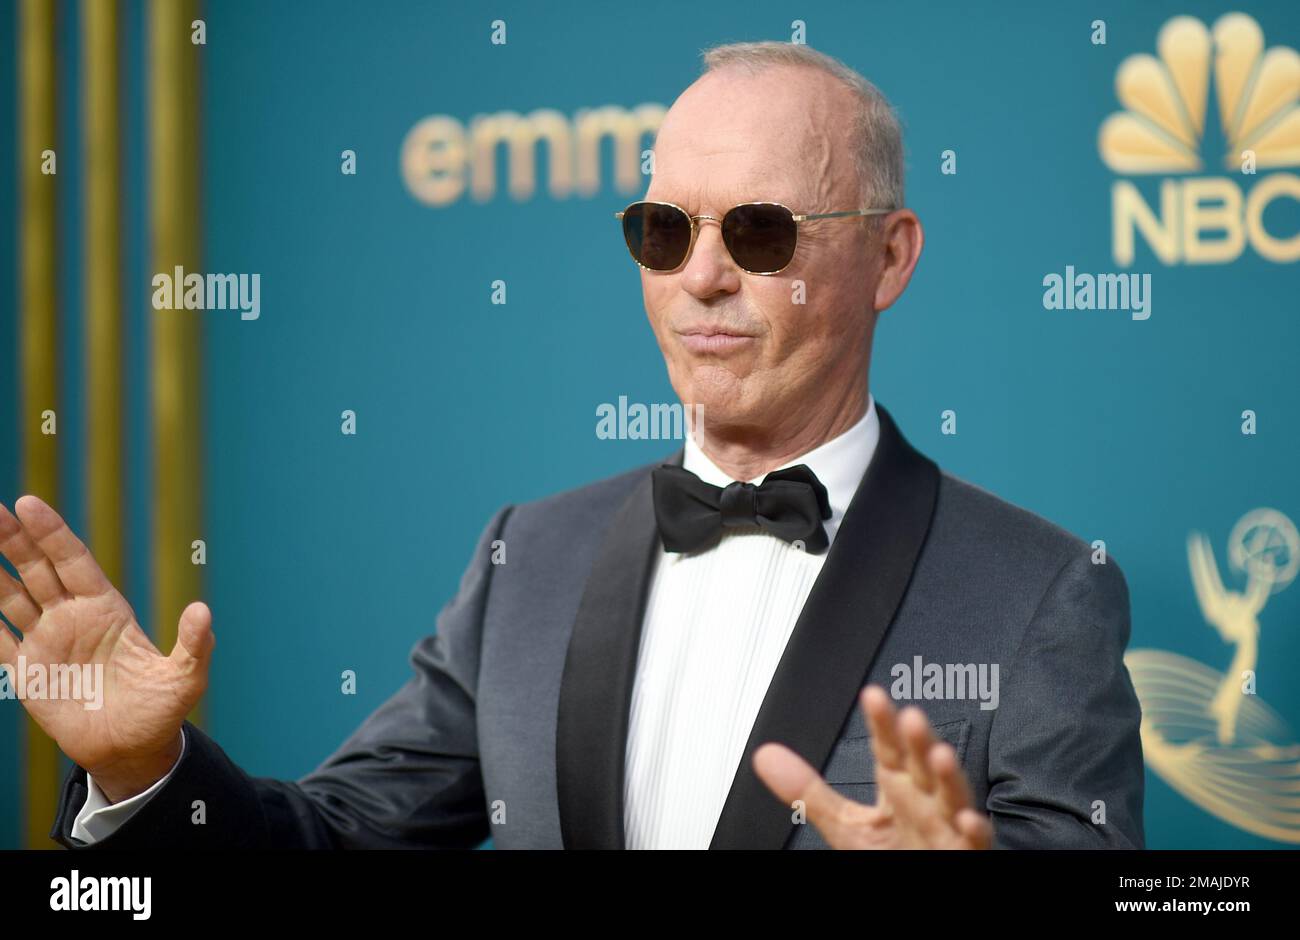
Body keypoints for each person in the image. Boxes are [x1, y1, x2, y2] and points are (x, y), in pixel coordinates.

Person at [0, 41, 1143, 850]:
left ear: (888, 258)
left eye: (758, 230)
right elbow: (331, 838)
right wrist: (143, 772)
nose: (702, 275)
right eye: (663, 230)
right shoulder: (528, 559)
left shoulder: (1041, 591)